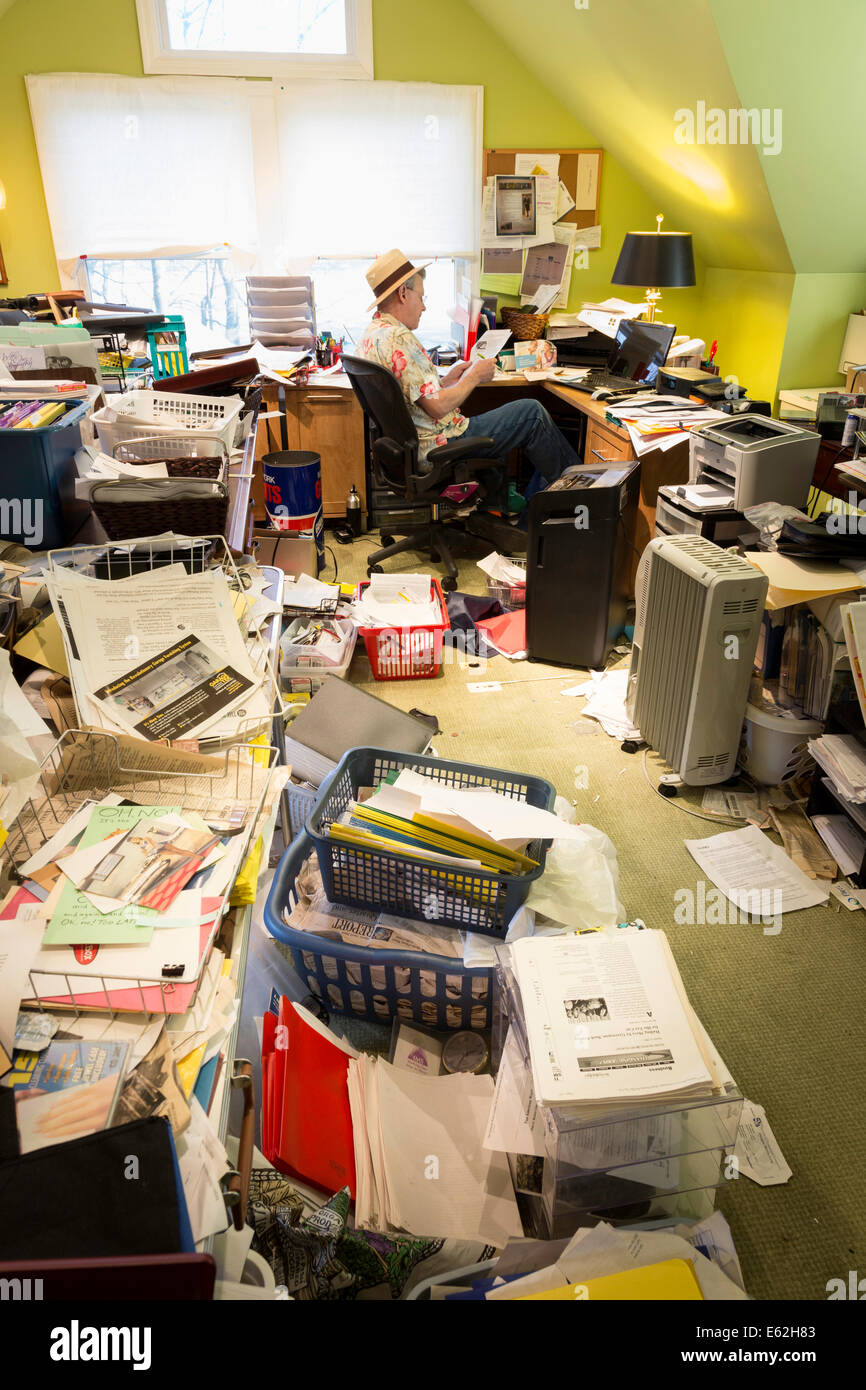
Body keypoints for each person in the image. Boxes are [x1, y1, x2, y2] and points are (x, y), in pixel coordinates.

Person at [357, 249, 582, 514]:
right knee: (532, 413)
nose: (424, 305)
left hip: (412, 446)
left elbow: (408, 398)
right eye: (421, 296)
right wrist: (475, 375)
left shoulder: (373, 335)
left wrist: (446, 381)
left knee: (500, 423)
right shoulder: (399, 338)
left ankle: (498, 511)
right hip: (436, 444)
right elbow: (437, 408)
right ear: (403, 294)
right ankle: (581, 500)